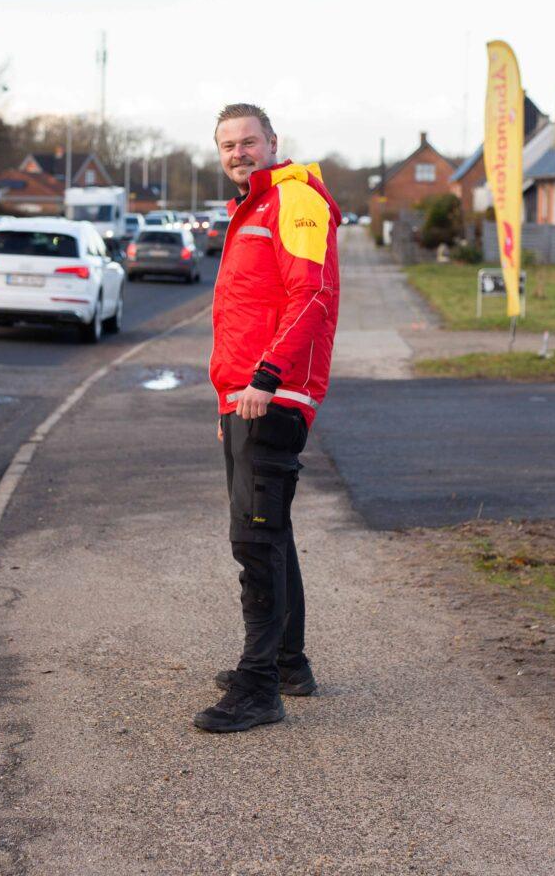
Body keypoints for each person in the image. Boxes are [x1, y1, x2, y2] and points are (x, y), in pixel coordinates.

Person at [193, 103, 341, 734]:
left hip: (272, 394)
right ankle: (287, 664)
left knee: (254, 540)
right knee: (269, 531)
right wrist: (229, 399)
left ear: (272, 142)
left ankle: (258, 689)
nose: (238, 153)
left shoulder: (294, 201)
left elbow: (311, 294)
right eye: (227, 145)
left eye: (248, 141)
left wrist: (265, 377)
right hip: (245, 398)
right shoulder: (249, 209)